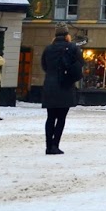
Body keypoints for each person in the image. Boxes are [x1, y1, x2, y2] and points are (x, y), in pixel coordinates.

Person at [40, 25, 83, 154]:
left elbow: (44, 66)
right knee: (61, 118)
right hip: (65, 85)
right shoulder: (73, 47)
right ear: (67, 35)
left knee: (50, 117)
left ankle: (48, 146)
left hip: (50, 85)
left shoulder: (48, 48)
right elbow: (79, 64)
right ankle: (55, 145)